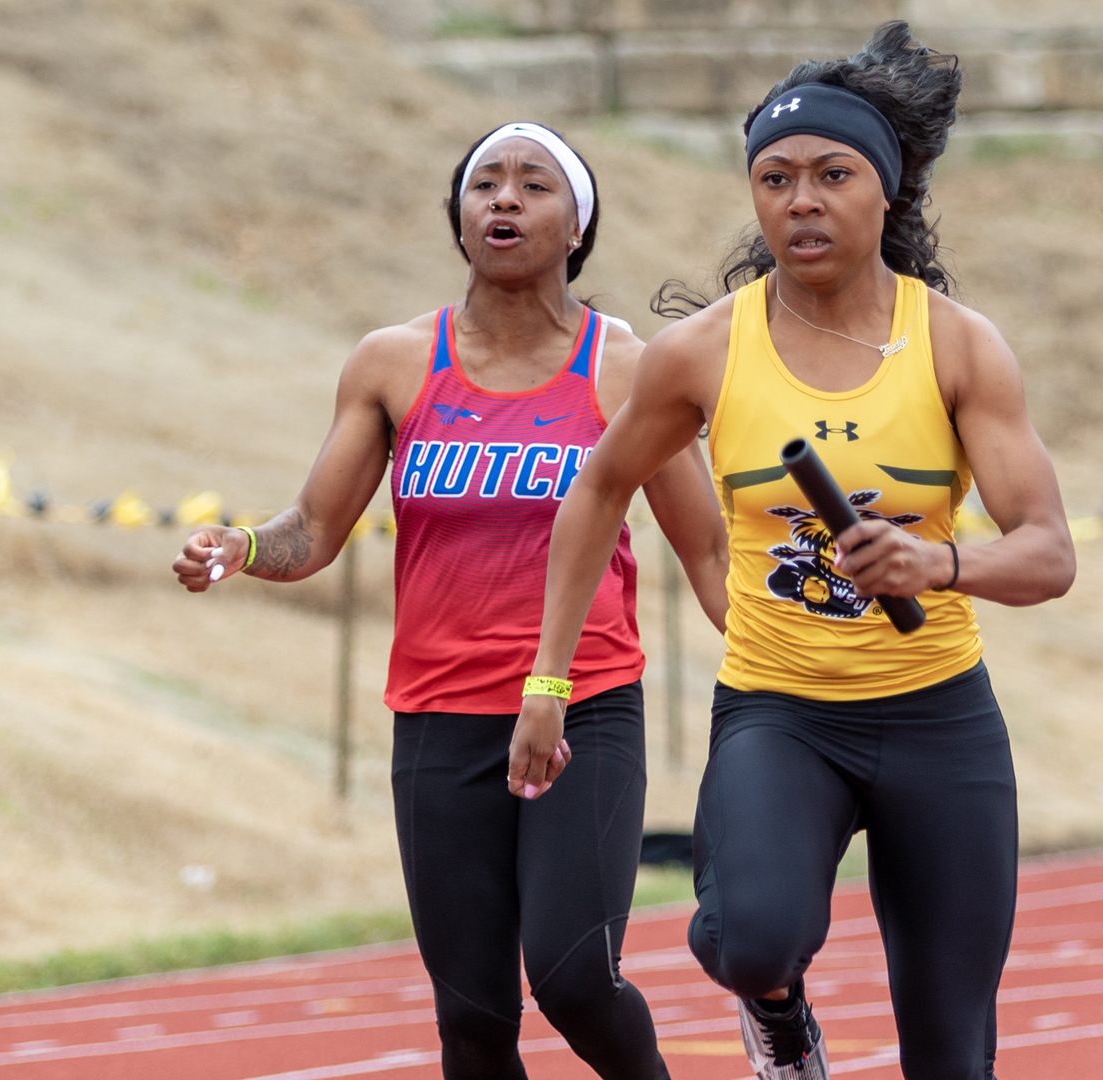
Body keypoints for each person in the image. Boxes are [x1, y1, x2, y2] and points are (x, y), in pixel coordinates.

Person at [517, 24, 1073, 1080]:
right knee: (753, 940)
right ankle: (777, 1014)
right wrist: (548, 675)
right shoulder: (704, 350)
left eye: (832, 175)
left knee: (953, 1055)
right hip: (782, 712)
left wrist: (937, 566)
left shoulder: (957, 344)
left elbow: (1047, 554)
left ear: (890, 194)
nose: (800, 200)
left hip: (937, 716)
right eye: (774, 179)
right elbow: (596, 490)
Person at [172, 122, 729, 1080]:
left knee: (572, 977)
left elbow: (709, 547)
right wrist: (241, 548)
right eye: (485, 185)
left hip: (582, 708)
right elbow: (313, 529)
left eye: (534, 185)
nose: (503, 199)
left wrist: (798, 668)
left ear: (578, 227)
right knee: (471, 1018)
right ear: (460, 218)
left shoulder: (627, 370)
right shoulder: (393, 363)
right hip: (437, 719)